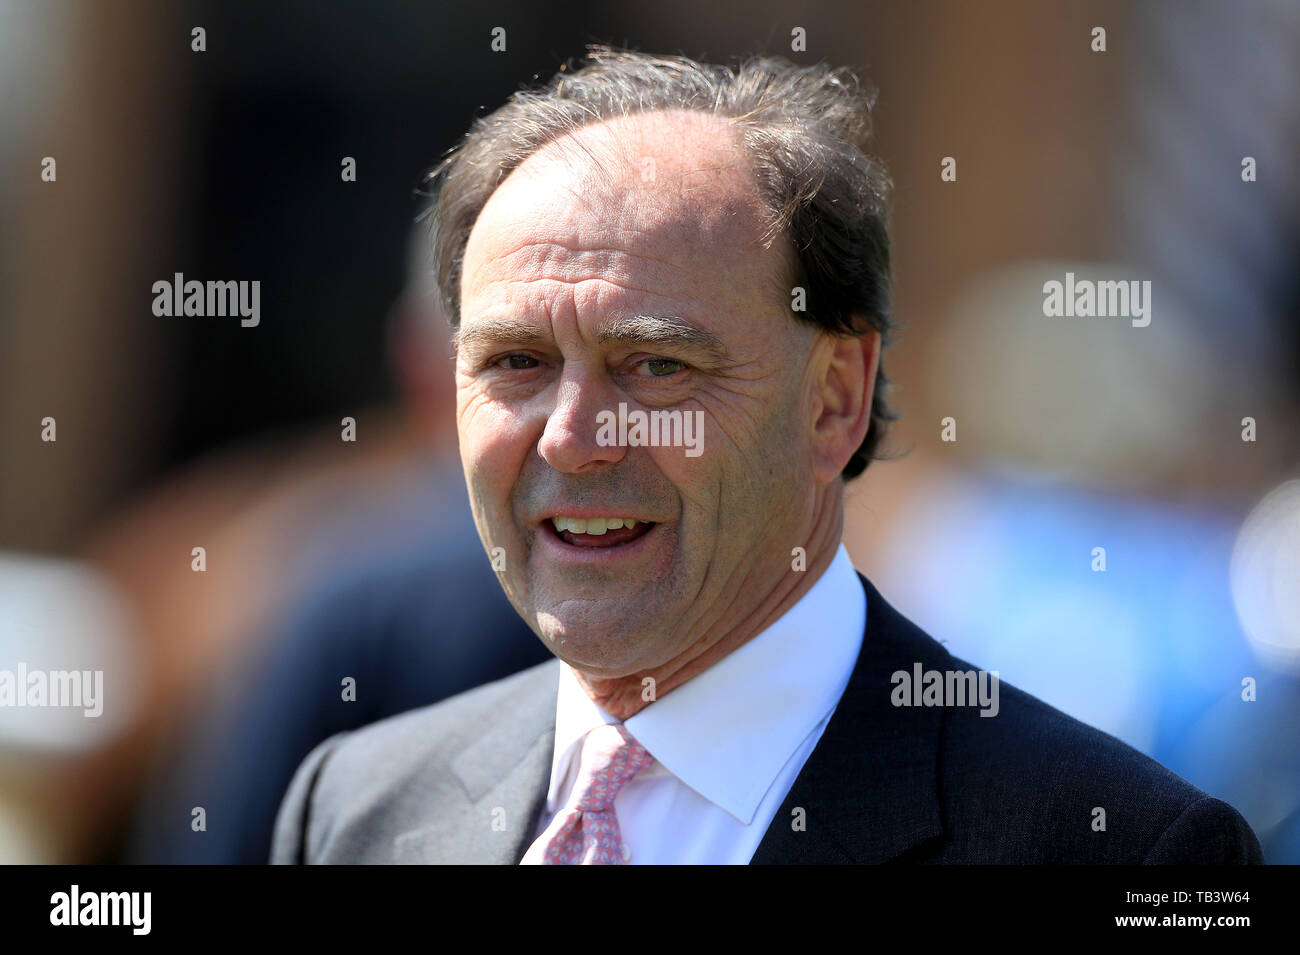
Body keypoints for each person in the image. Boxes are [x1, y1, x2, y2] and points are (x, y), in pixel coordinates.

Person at [271, 46, 1263, 865]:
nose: (572, 436)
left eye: (655, 365)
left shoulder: (1116, 851)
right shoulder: (356, 809)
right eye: (517, 362)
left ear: (833, 400)